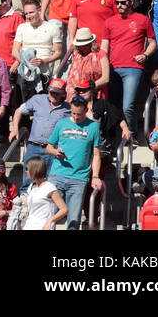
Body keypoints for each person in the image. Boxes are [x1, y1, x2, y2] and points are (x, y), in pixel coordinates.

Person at [45, 94, 103, 229]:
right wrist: (55, 152)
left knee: (74, 220)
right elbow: (49, 147)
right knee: (50, 216)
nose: (76, 117)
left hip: (78, 178)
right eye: (73, 113)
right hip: (57, 175)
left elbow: (96, 154)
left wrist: (95, 176)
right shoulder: (62, 123)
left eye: (79, 114)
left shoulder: (93, 127)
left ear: (86, 110)